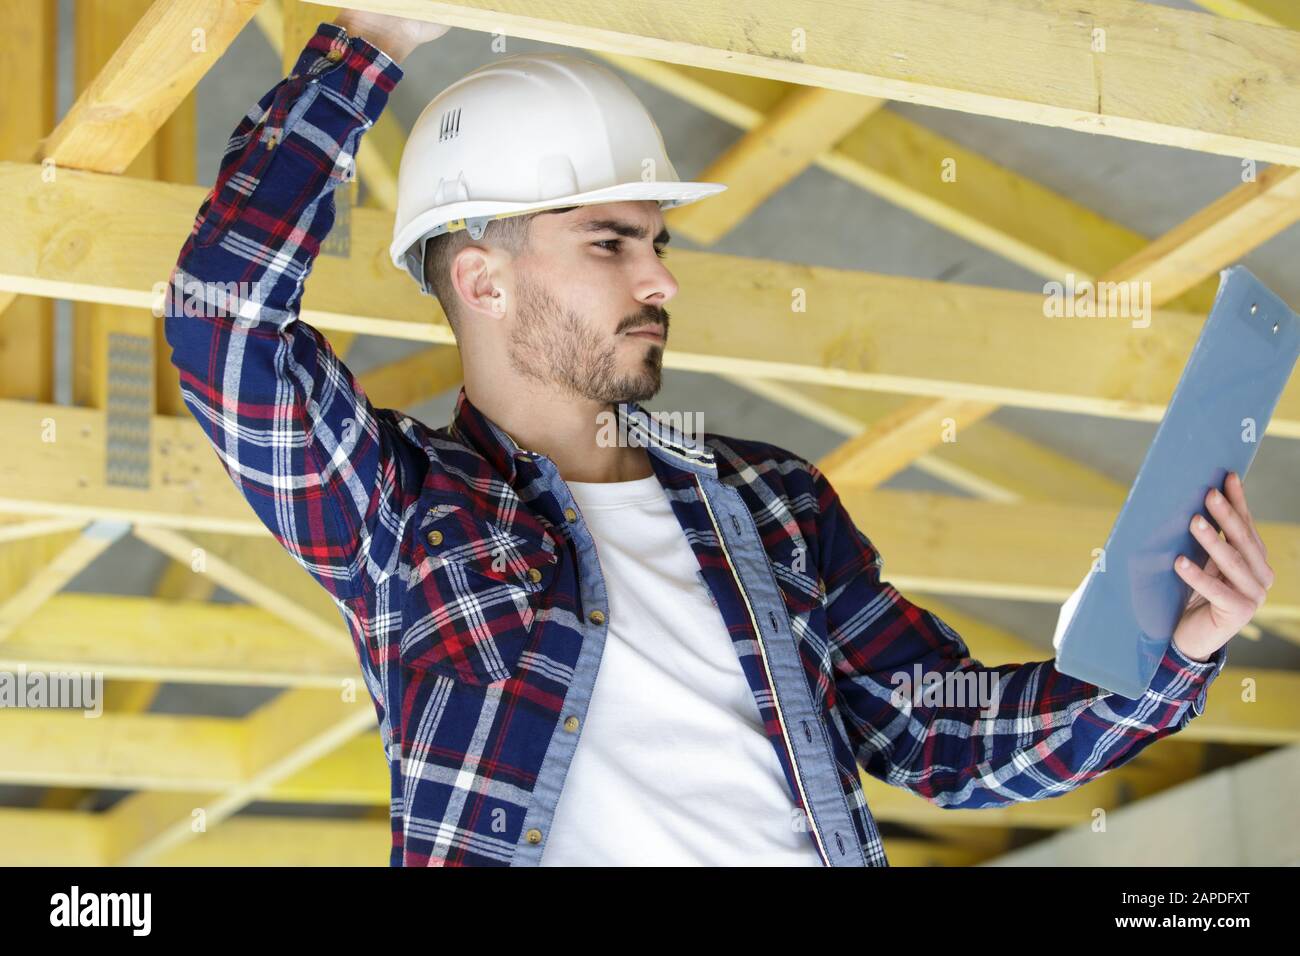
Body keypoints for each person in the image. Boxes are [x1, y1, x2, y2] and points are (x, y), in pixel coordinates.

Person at [163, 8, 1270, 867]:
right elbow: (223, 311)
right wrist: (371, 37)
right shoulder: (403, 513)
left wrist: (1174, 657)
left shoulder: (774, 499)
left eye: (655, 239)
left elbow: (944, 738)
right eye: (609, 242)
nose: (661, 278)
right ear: (481, 279)